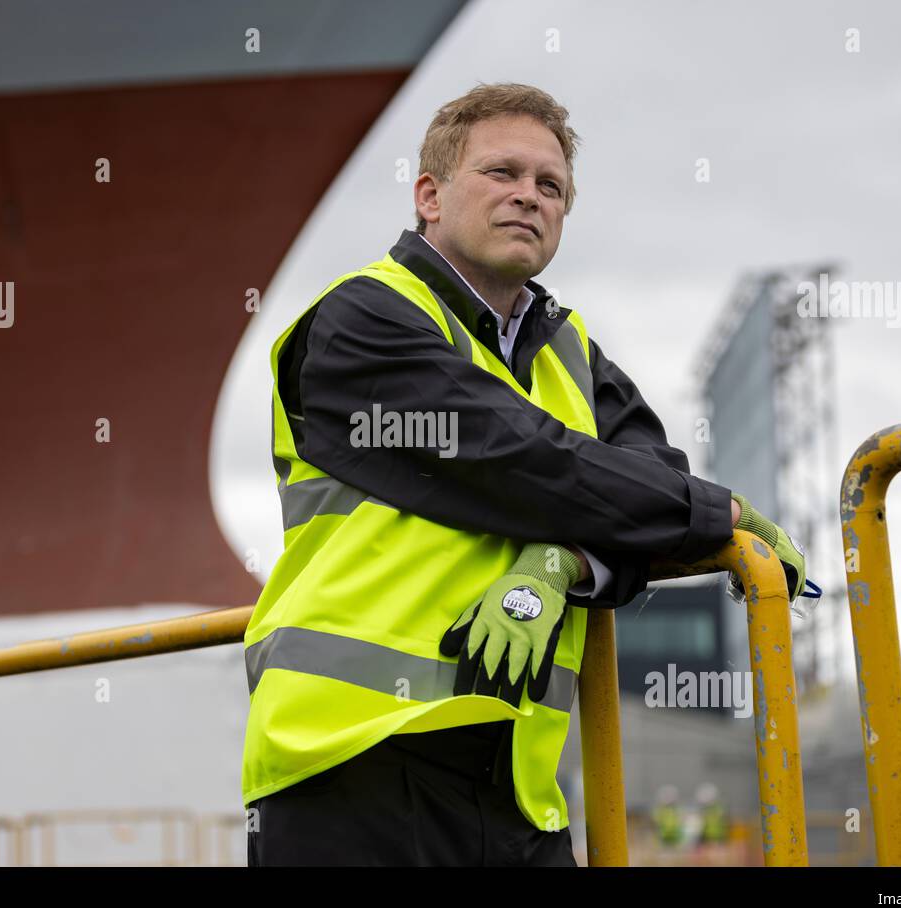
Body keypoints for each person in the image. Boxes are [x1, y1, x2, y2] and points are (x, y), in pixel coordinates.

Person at [242, 81, 805, 866]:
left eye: (551, 186)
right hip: (350, 765)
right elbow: (521, 459)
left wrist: (563, 561)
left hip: (518, 784)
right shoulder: (361, 321)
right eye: (501, 173)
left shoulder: (570, 352)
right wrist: (723, 511)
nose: (528, 197)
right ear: (429, 196)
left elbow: (643, 491)